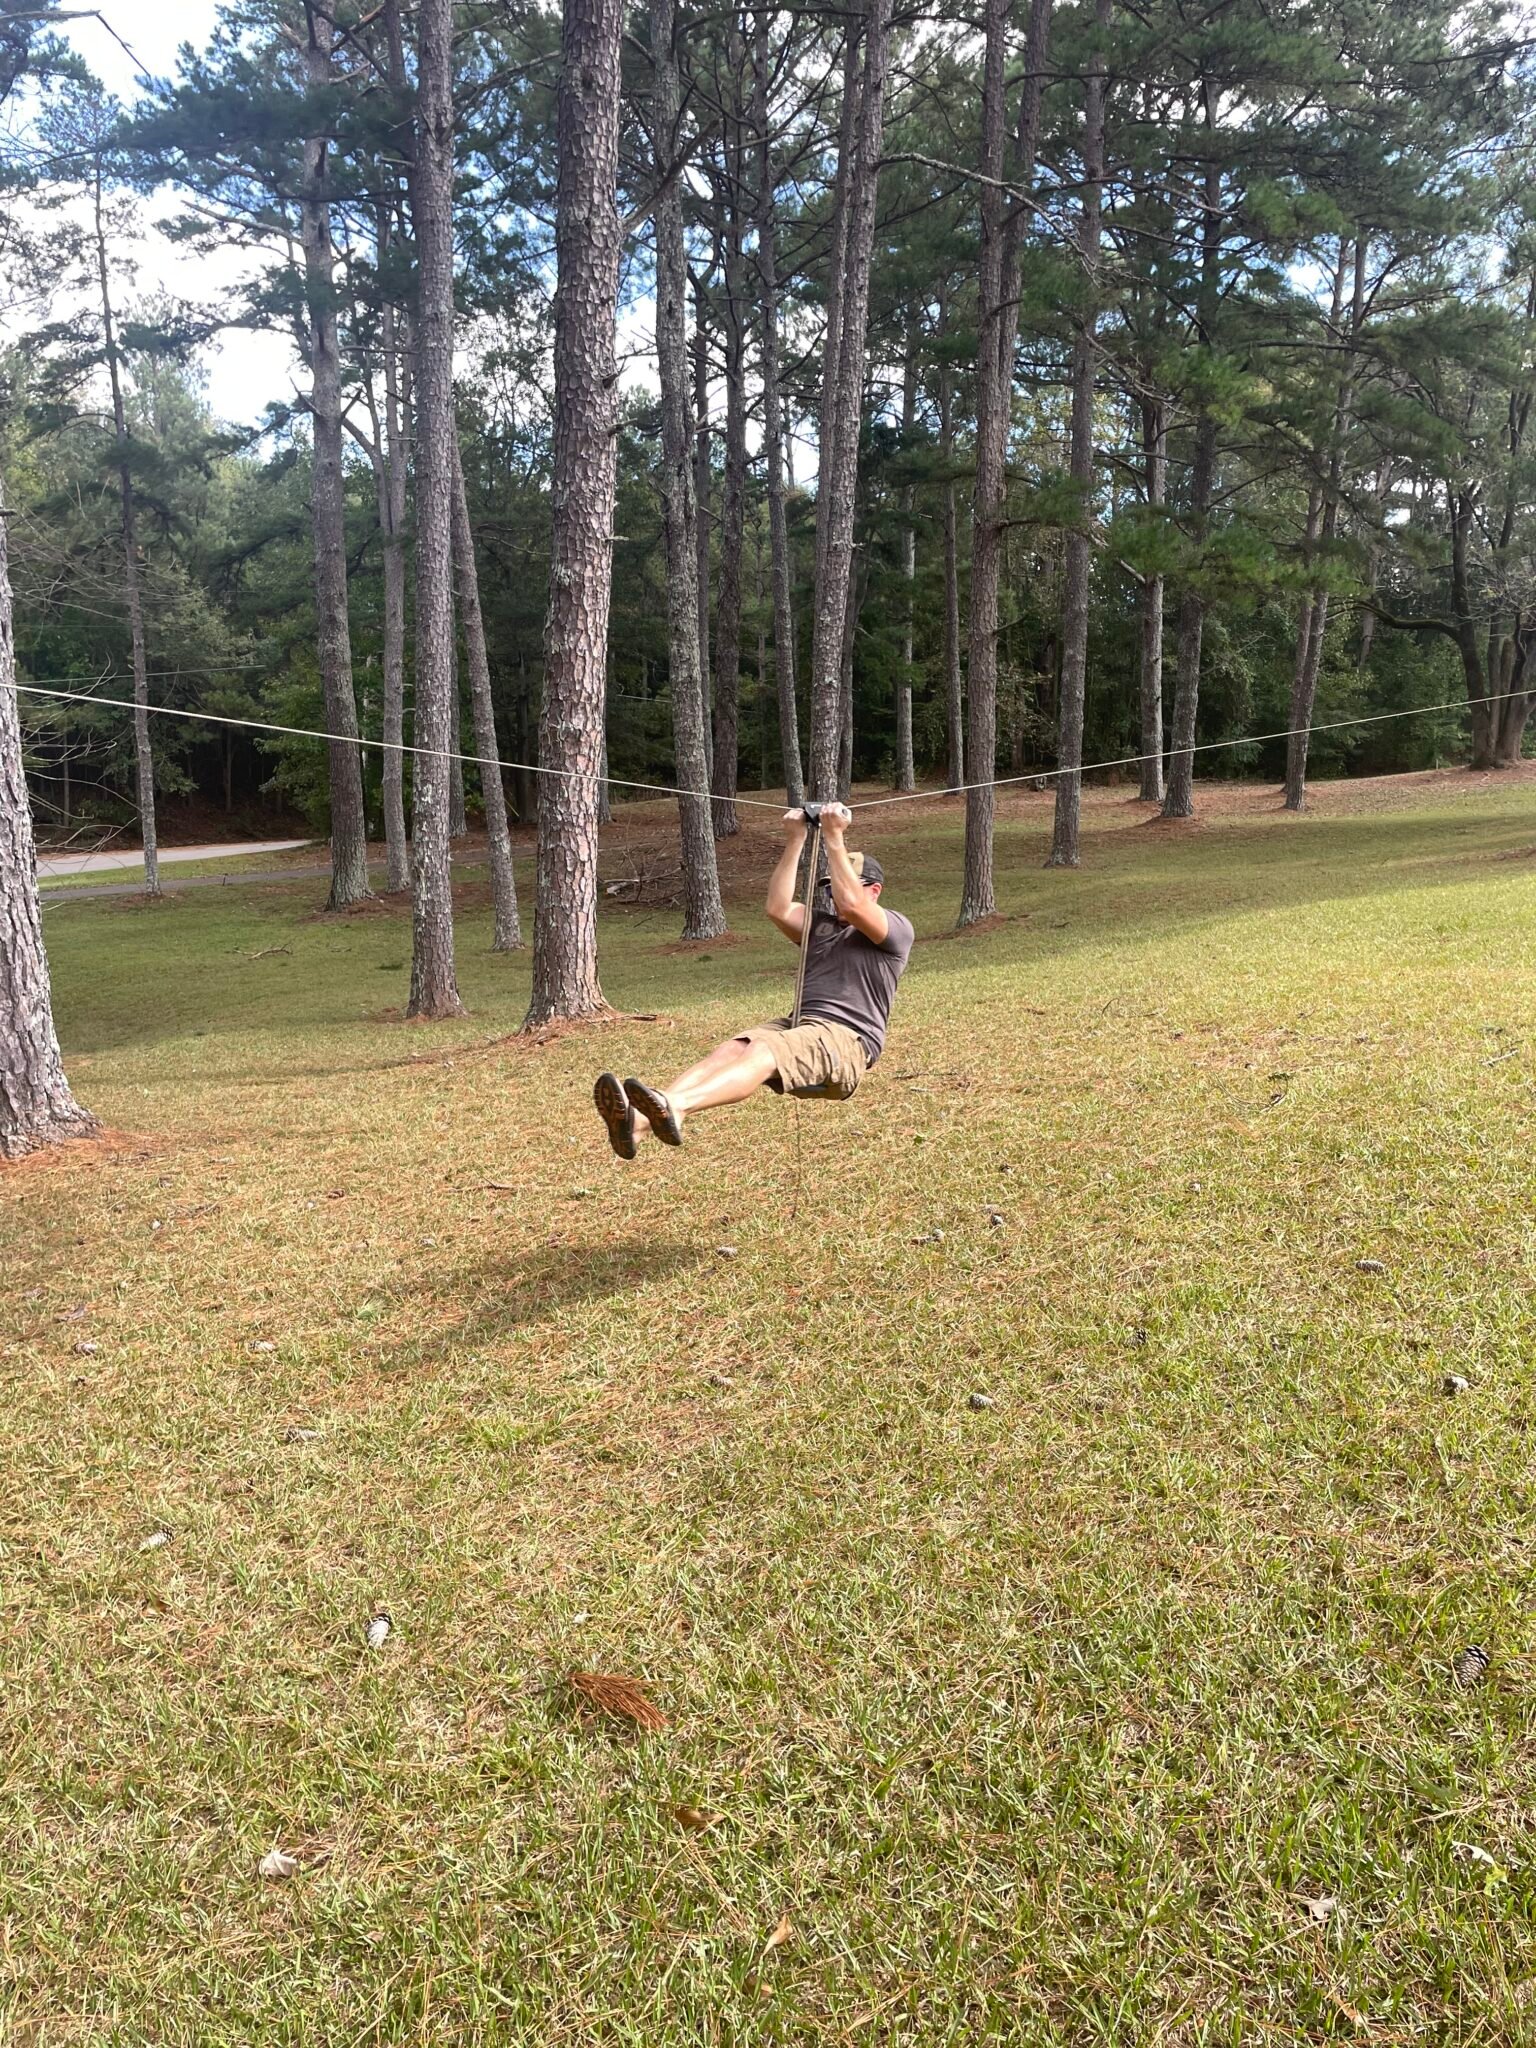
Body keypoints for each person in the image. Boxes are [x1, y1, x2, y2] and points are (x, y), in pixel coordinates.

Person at [594, 802, 915, 1156]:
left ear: (874, 890)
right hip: (799, 1026)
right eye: (829, 889)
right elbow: (778, 908)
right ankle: (640, 1121)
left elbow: (854, 907)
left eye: (844, 885)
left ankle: (677, 1107)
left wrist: (834, 836)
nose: (833, 896)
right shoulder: (821, 929)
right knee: (734, 1049)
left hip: (846, 1041)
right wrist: (795, 840)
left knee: (764, 1050)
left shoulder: (895, 929)